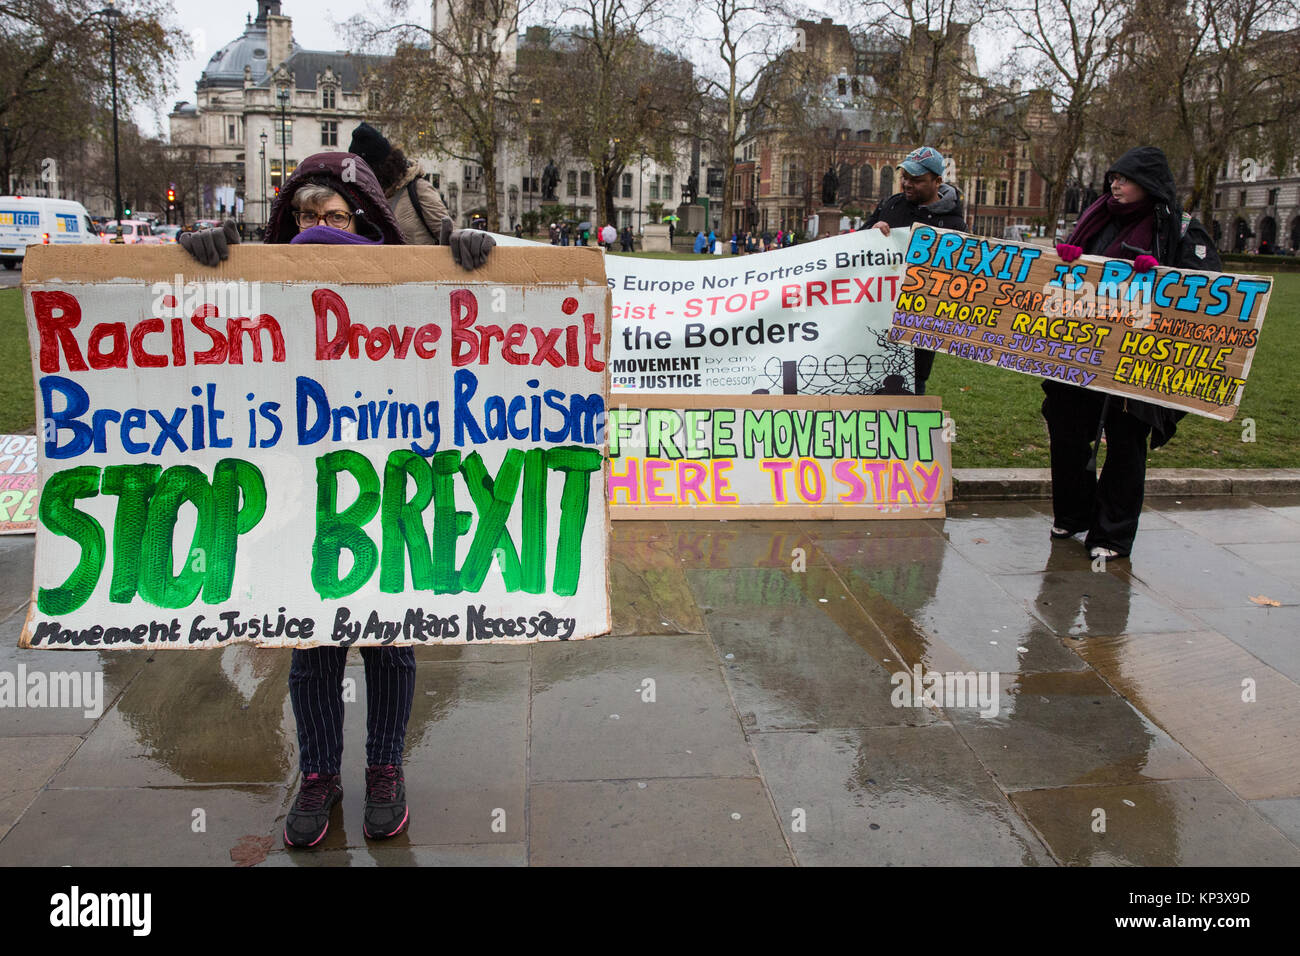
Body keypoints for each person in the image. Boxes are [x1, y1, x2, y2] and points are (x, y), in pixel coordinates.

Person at [177, 151, 493, 849]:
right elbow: (182, 325)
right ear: (286, 218)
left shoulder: (408, 287)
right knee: (313, 641)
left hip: (388, 487)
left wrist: (474, 256)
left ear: (367, 221)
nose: (319, 228)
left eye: (336, 217)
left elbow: (471, 345)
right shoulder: (259, 281)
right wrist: (196, 261)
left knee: (388, 638)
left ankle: (385, 767)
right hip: (297, 493)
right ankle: (318, 774)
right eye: (306, 216)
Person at [1046, 145, 1220, 559]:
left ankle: (1111, 535)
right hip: (1080, 350)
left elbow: (1207, 293)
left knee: (1125, 442)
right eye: (1113, 178)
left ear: (1150, 185)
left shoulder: (1179, 231)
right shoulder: (1097, 218)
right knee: (1066, 428)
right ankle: (1074, 514)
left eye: (1124, 179)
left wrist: (1159, 280)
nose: (1114, 185)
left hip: (1138, 357)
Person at [864, 145, 966, 394]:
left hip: (917, 331)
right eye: (905, 177)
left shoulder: (954, 224)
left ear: (937, 181)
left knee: (912, 388)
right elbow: (856, 246)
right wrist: (872, 232)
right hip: (875, 318)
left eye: (916, 180)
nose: (907, 184)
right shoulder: (892, 205)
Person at [347, 122, 449, 245]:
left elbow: (450, 236)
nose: (363, 178)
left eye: (366, 171)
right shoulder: (362, 197)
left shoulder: (418, 190)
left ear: (382, 167)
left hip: (419, 262)